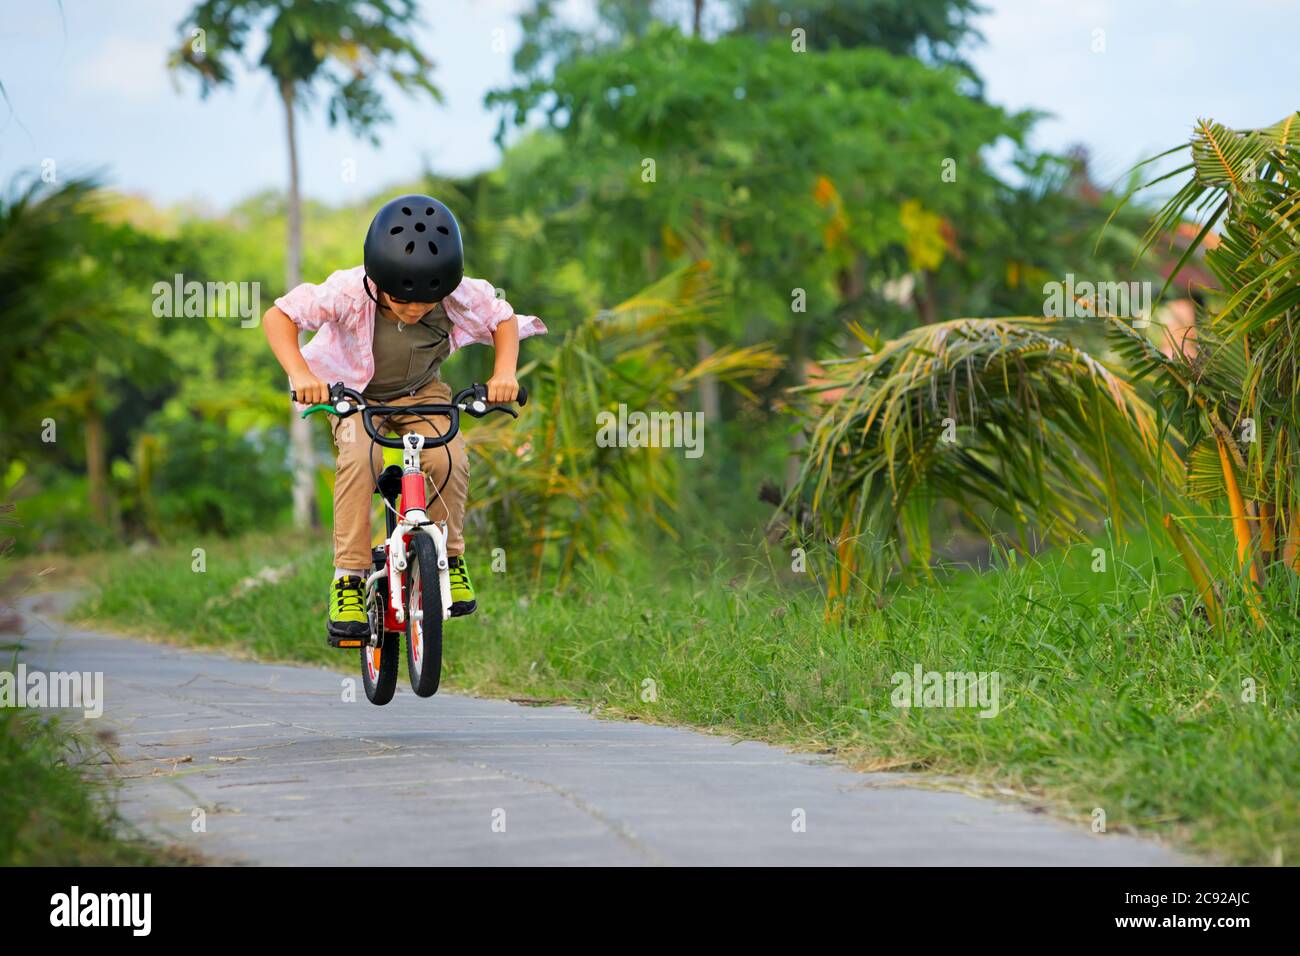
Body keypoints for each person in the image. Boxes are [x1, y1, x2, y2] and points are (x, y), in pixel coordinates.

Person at [262, 194, 546, 645]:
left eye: (427, 301)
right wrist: (300, 373)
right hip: (351, 395)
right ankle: (349, 579)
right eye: (401, 300)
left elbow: (502, 318)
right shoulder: (347, 290)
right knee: (361, 458)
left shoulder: (456, 293)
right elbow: (279, 316)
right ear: (377, 279)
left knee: (447, 457)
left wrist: (504, 373)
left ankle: (449, 561)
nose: (414, 309)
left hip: (422, 395)